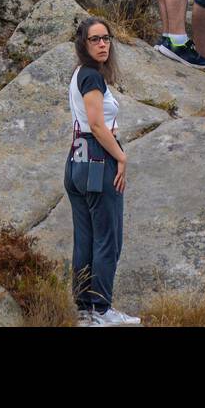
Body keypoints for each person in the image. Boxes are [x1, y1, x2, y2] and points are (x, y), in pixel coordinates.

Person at [65, 17, 139, 327]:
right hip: (97, 159)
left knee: (86, 238)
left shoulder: (79, 75)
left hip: (76, 160)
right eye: (94, 39)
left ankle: (84, 310)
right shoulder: (92, 77)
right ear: (83, 44)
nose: (102, 44)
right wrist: (121, 156)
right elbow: (96, 123)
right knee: (108, 239)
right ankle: (102, 309)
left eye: (106, 38)